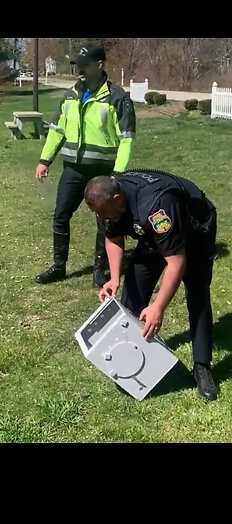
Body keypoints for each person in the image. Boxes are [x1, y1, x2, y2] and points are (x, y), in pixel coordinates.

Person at [84, 170, 219, 401]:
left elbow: (176, 262)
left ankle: (202, 367)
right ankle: (130, 360)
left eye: (104, 214)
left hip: (194, 229)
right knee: (133, 292)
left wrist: (158, 307)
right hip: (152, 233)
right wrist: (115, 278)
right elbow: (113, 237)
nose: (103, 218)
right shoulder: (105, 200)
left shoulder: (157, 205)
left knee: (197, 294)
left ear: (117, 200)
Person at [35, 43, 136, 288]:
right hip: (73, 169)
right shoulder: (70, 95)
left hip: (103, 172)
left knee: (105, 221)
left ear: (99, 65)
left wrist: (117, 173)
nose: (79, 69)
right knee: (60, 216)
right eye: (77, 65)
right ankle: (59, 267)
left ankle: (99, 272)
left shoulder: (117, 97)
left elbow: (127, 138)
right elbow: (57, 131)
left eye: (84, 65)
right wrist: (44, 160)